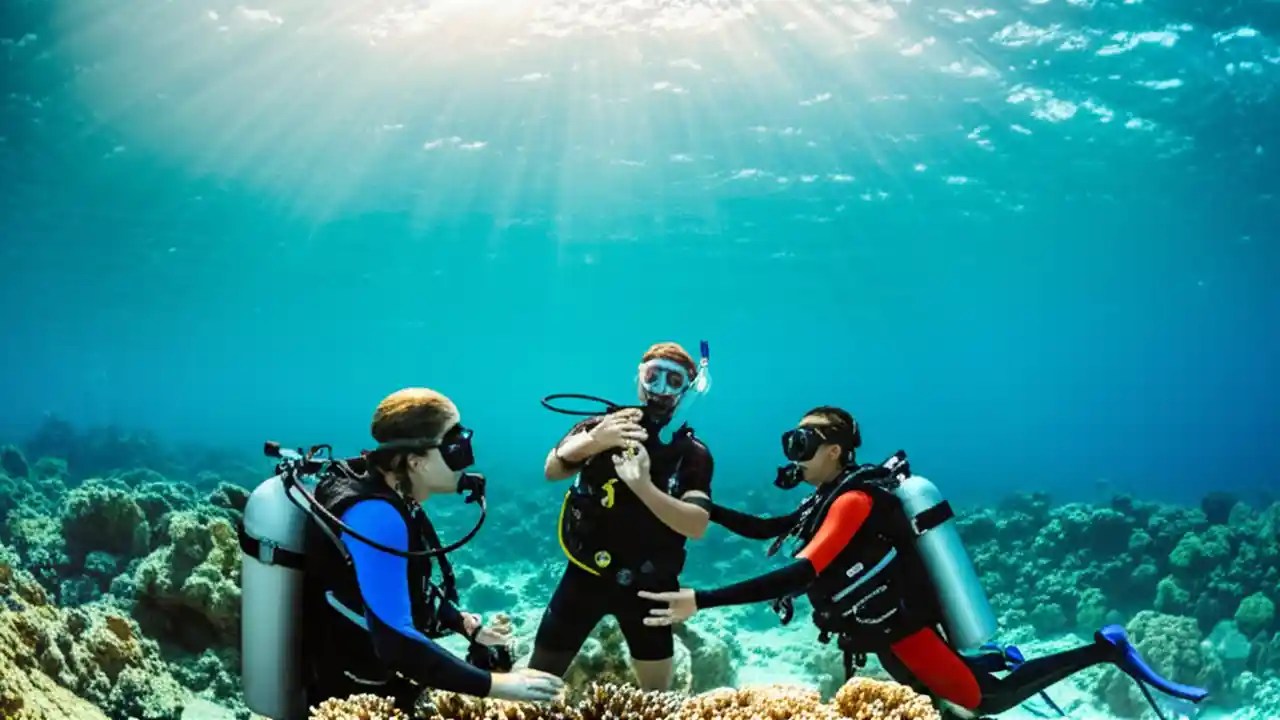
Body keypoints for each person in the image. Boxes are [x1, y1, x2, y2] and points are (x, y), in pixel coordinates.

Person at [637, 406, 1209, 720]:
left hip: (903, 629)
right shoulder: (823, 499)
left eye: (804, 443)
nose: (795, 454)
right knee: (939, 698)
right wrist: (701, 506)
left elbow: (801, 574)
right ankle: (992, 660)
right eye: (793, 442)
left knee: (983, 703)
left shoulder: (856, 499)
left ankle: (1106, 647)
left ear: (836, 450)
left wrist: (700, 601)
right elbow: (766, 529)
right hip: (880, 633)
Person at [299, 388, 565, 712]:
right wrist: (498, 685)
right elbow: (397, 644)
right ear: (417, 462)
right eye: (454, 447)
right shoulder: (379, 517)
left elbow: (403, 586)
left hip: (375, 677)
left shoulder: (394, 494)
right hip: (355, 696)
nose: (466, 458)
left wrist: (464, 624)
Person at [529, 341, 715, 691]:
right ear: (638, 381)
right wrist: (596, 441)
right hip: (585, 573)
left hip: (652, 587)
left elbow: (696, 524)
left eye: (673, 381)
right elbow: (553, 469)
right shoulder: (601, 426)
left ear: (687, 391)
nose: (660, 390)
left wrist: (643, 486)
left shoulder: (691, 454)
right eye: (652, 376)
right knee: (535, 686)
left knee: (657, 702)